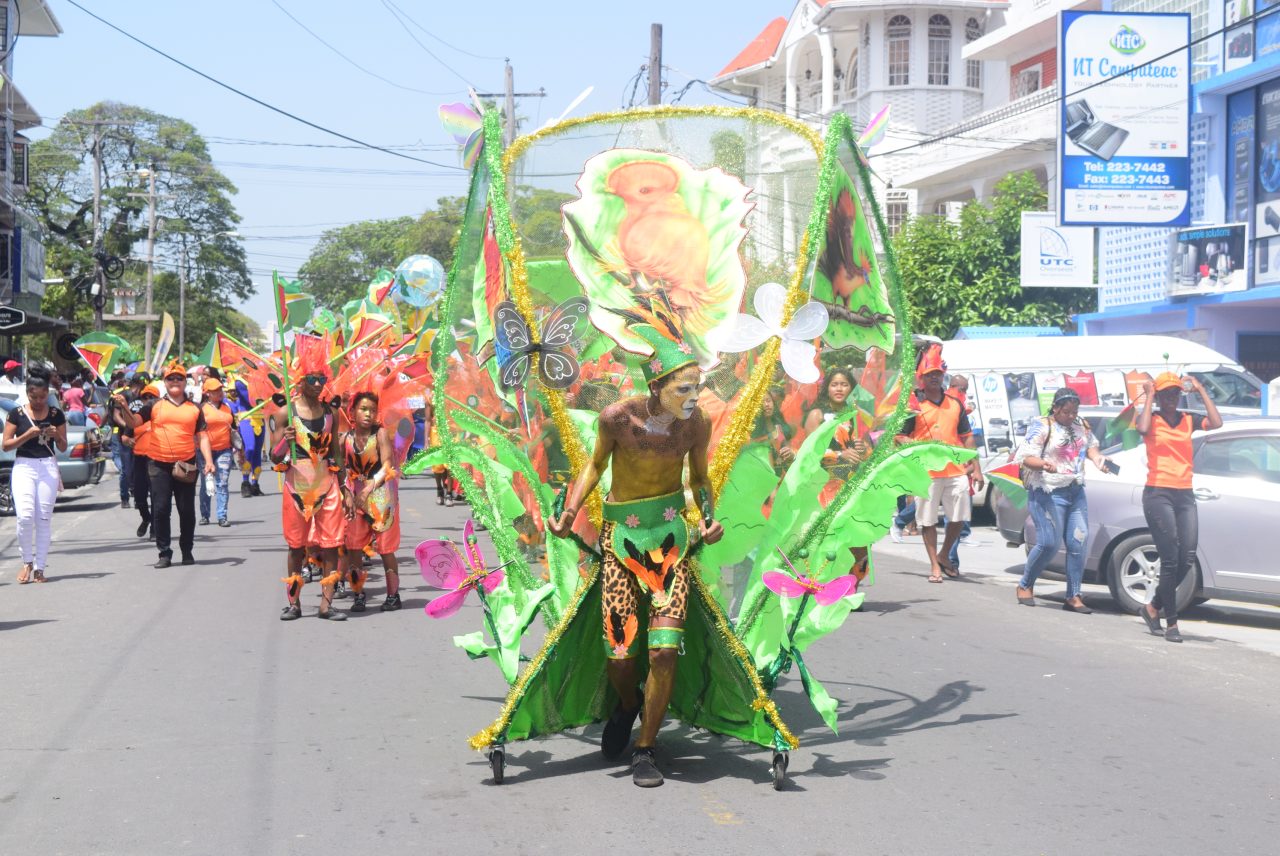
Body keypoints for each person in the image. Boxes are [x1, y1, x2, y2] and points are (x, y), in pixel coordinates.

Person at [548, 320, 724, 788]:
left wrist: (707, 517)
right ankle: (627, 704)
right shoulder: (616, 419)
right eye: (685, 388)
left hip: (669, 541)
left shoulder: (695, 425)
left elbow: (700, 479)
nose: (694, 396)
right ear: (657, 386)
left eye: (698, 387)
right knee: (622, 656)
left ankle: (646, 748)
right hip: (620, 544)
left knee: (664, 653)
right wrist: (569, 511)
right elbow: (594, 465)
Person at [1134, 372, 1222, 643]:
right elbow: (1142, 428)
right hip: (1158, 492)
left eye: (1175, 393)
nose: (1171, 399)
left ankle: (1152, 607)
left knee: (1187, 556)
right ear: (1159, 396)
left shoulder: (1187, 420)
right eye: (1165, 394)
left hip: (1184, 494)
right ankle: (1171, 623)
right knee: (1170, 557)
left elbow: (1217, 422)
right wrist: (1149, 396)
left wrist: (1200, 390)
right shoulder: (1152, 418)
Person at [1013, 388, 1113, 612]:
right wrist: (1043, 464)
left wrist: (1098, 459)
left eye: (1074, 411)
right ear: (1056, 408)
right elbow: (1026, 457)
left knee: (1078, 542)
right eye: (1066, 412)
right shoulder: (1042, 425)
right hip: (1047, 490)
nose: (1071, 416)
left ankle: (1073, 596)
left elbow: (1091, 447)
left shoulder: (1081, 425)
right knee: (1049, 543)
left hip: (1075, 491)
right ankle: (1025, 584)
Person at [894, 343, 983, 583]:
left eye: (937, 374)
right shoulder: (913, 404)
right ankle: (934, 565)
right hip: (926, 473)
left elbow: (967, 437)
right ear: (921, 377)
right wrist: (912, 449)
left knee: (959, 517)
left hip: (955, 470)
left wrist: (976, 467)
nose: (934, 377)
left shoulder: (955, 404)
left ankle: (944, 554)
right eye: (929, 374)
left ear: (943, 376)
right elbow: (899, 436)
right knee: (927, 520)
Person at [270, 356, 349, 621]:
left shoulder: (331, 413)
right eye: (312, 379)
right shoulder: (285, 413)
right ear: (300, 381)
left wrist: (345, 487)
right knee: (295, 547)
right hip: (296, 487)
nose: (317, 384)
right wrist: (285, 442)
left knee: (331, 545)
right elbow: (274, 456)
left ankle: (327, 604)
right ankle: (294, 604)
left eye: (322, 379)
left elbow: (336, 453)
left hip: (326, 484)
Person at [117, 362, 215, 568]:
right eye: (171, 378)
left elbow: (203, 437)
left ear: (185, 382)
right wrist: (124, 408)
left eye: (179, 378)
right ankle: (164, 553)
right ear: (165, 382)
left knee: (186, 510)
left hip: (186, 464)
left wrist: (208, 461)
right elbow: (134, 423)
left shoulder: (195, 409)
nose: (175, 382)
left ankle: (187, 550)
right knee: (160, 509)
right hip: (158, 464)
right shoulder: (153, 405)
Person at [2, 365, 67, 583]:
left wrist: (56, 434)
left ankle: (40, 567)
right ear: (27, 393)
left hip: (47, 466)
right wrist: (28, 434)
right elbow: (6, 445)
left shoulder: (57, 415)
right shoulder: (17, 414)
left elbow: (63, 446)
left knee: (43, 518)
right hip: (24, 466)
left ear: (47, 393)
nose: (38, 401)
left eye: (42, 396)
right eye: (33, 396)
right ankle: (26, 561)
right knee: (25, 516)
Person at [342, 391, 402, 613]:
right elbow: (341, 469)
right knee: (354, 548)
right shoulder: (345, 439)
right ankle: (358, 595)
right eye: (363, 409)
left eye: (372, 410)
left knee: (386, 549)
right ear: (353, 411)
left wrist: (367, 489)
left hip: (380, 497)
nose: (368, 414)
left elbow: (387, 466)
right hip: (356, 499)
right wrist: (347, 494)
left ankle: (393, 595)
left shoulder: (381, 435)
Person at [122, 382, 161, 540]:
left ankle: (155, 527)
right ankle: (146, 518)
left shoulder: (161, 417)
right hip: (139, 459)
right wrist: (127, 440)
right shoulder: (136, 417)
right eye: (145, 397)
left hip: (157, 459)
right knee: (139, 496)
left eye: (152, 397)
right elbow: (125, 435)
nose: (148, 400)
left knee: (156, 495)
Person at [198, 378, 240, 527]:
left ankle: (222, 516)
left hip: (225, 450)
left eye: (220, 390)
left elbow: (234, 427)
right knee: (207, 484)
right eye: (214, 390)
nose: (219, 393)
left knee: (222, 483)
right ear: (207, 393)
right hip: (205, 452)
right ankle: (205, 514)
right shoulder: (201, 409)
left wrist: (240, 449)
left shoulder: (227, 407)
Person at [110, 375, 145, 509]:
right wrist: (128, 426)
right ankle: (124, 497)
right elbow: (116, 416)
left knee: (139, 469)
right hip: (124, 437)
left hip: (141, 437)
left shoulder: (145, 397)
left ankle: (138, 497)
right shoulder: (123, 396)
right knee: (126, 469)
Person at [227, 381, 265, 497]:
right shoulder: (240, 382)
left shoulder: (263, 380)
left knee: (257, 453)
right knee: (249, 449)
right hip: (246, 418)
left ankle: (255, 484)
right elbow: (251, 400)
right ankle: (245, 482)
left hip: (260, 419)